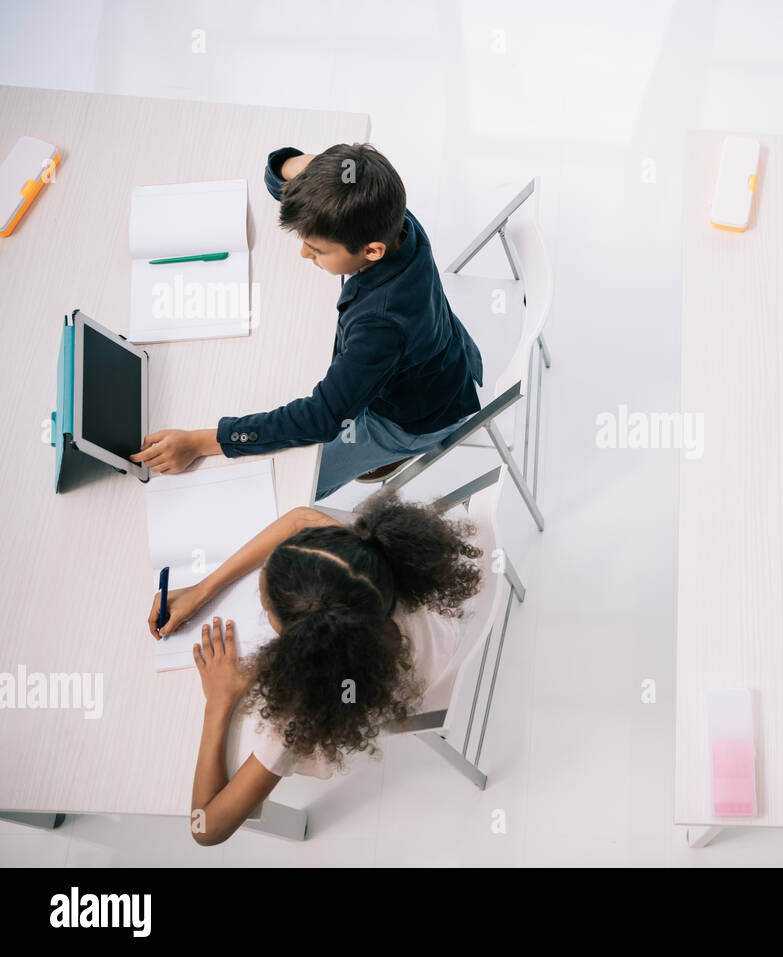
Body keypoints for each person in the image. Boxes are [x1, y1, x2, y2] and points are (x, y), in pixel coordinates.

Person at [130, 143, 483, 499]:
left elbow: (321, 419)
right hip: (436, 356)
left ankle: (386, 454)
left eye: (317, 249)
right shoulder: (387, 212)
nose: (304, 254)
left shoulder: (381, 326)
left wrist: (201, 442)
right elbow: (278, 179)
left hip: (409, 418)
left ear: (372, 250)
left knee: (292, 485)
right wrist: (319, 173)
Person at [146, 488, 482, 845]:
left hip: (426, 681)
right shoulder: (361, 568)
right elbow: (299, 519)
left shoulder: (301, 716)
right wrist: (202, 588)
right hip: (447, 637)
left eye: (265, 605)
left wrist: (219, 702)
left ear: (301, 641)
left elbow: (206, 828)